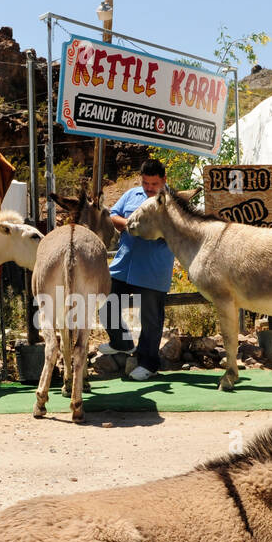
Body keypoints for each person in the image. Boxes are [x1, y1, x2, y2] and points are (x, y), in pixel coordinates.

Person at [98, 158, 173, 381]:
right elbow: (112, 216)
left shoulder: (172, 202)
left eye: (154, 184)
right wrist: (130, 224)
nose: (149, 188)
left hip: (153, 269)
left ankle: (148, 364)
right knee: (105, 303)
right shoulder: (131, 195)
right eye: (145, 183)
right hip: (123, 266)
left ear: (164, 181)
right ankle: (122, 342)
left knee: (150, 319)